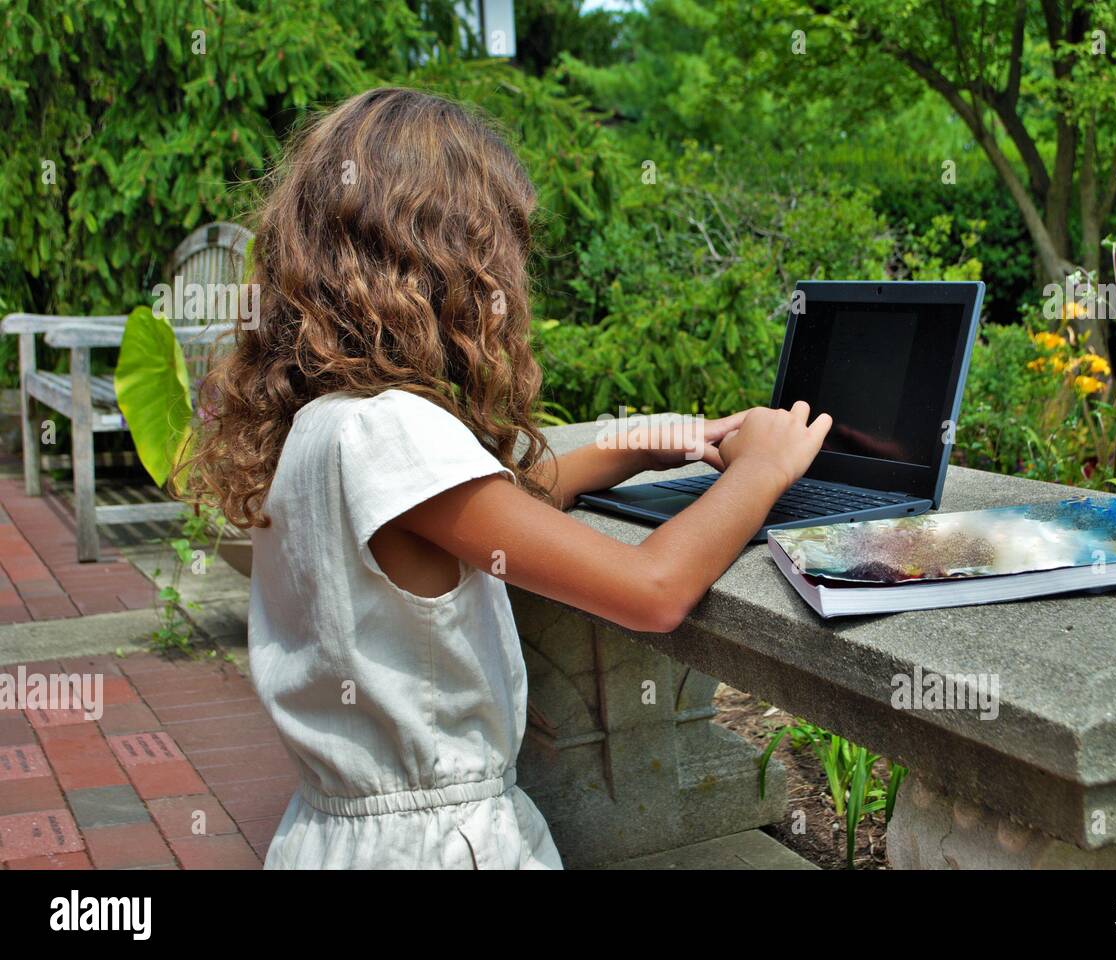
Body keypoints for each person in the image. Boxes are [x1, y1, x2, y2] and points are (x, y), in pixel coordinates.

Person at [185, 87, 831, 869]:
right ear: (439, 258)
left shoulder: (329, 422)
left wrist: (643, 446)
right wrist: (762, 469)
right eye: (501, 247)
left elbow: (496, 508)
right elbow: (651, 591)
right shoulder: (394, 429)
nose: (508, 279)